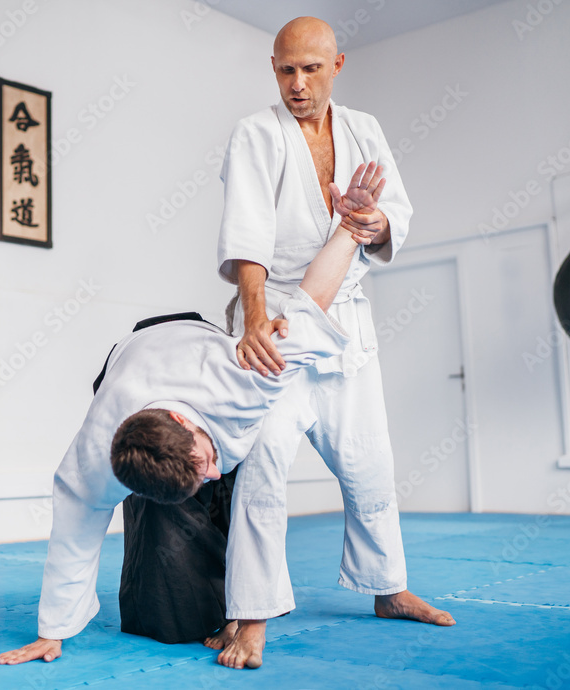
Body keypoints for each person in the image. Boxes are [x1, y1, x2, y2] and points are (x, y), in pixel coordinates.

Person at [0, 177, 378, 667]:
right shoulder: (92, 464)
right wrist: (53, 632)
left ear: (186, 422)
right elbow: (73, 535)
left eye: (207, 459)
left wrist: (349, 225)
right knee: (174, 596)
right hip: (125, 366)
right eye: (206, 468)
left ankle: (238, 606)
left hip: (194, 345)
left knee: (235, 483)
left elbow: (310, 305)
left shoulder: (245, 377)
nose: (214, 473)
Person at [211, 16, 454, 669]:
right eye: (285, 69)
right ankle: (252, 610)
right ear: (273, 66)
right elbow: (247, 236)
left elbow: (391, 219)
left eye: (311, 69)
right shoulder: (255, 135)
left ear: (337, 65)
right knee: (262, 468)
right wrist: (255, 320)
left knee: (370, 462)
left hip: (346, 322)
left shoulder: (364, 130)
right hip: (279, 321)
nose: (297, 83)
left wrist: (371, 221)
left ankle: (387, 587)